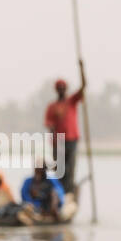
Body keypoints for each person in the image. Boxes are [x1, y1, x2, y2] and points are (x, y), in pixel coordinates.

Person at [44, 61, 86, 194]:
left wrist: (81, 68)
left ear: (65, 89)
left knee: (70, 168)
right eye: (59, 87)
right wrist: (54, 139)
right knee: (60, 168)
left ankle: (68, 191)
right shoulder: (52, 106)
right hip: (59, 141)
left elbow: (84, 87)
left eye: (63, 87)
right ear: (57, 89)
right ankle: (59, 191)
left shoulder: (72, 101)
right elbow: (49, 124)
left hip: (72, 139)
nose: (61, 89)